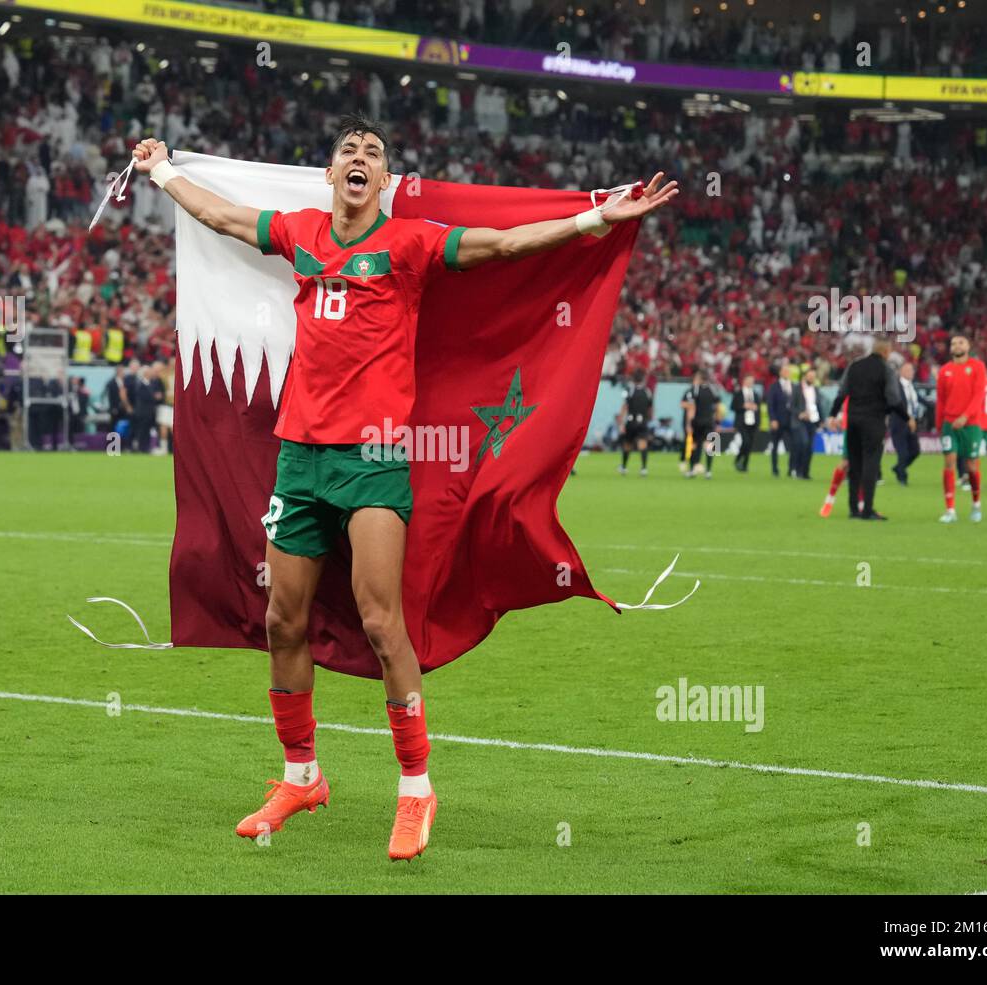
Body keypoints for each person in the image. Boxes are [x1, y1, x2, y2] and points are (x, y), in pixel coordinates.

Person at [132, 116, 678, 859]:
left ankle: (416, 788)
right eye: (348, 151)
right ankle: (301, 775)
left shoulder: (410, 241)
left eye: (374, 154)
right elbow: (221, 215)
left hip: (376, 456)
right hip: (299, 455)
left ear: (385, 182)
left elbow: (503, 243)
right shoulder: (299, 232)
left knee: (383, 622)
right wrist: (162, 172)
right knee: (282, 620)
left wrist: (592, 218)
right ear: (329, 175)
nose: (360, 159)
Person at [830, 337, 904, 520]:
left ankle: (853, 508)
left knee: (854, 465)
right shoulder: (886, 370)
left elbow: (841, 392)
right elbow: (893, 398)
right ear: (886, 352)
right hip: (873, 422)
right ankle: (868, 509)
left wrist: (832, 414)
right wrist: (906, 417)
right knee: (871, 464)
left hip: (853, 421)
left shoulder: (854, 366)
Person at [936, 332, 987, 523]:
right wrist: (940, 424)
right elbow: (941, 400)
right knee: (949, 462)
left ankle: (976, 504)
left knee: (971, 466)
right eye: (953, 343)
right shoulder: (944, 371)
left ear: (968, 347)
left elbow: (978, 395)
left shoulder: (977, 367)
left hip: (971, 424)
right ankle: (950, 510)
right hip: (950, 424)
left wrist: (965, 417)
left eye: (960, 342)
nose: (956, 345)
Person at [889, 361, 923, 485]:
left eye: (912, 370)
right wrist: (908, 418)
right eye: (908, 370)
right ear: (901, 372)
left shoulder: (911, 386)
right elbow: (897, 405)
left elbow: (919, 400)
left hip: (912, 424)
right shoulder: (896, 387)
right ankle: (902, 478)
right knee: (902, 452)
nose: (911, 372)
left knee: (915, 451)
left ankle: (898, 467)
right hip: (899, 423)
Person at [682, 369, 718, 478]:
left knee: (694, 445)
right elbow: (717, 407)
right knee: (709, 446)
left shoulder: (695, 390)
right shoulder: (713, 389)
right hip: (709, 422)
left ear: (700, 378)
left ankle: (693, 470)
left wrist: (688, 424)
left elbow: (691, 408)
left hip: (697, 421)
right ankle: (708, 471)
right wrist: (716, 421)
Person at [789, 369, 825, 480]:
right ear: (805, 376)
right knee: (803, 443)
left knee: (809, 447)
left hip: (812, 421)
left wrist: (821, 421)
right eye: (810, 376)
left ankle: (805, 472)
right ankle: (797, 470)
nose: (812, 378)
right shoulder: (797, 388)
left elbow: (818, 406)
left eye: (813, 376)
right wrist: (800, 414)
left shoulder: (816, 389)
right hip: (800, 422)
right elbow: (791, 406)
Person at [617, 368, 653, 475]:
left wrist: (621, 422)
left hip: (631, 421)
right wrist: (649, 419)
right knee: (643, 444)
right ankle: (643, 468)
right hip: (642, 421)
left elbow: (625, 406)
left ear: (633, 379)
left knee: (628, 444)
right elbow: (650, 408)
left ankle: (623, 467)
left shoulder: (629, 391)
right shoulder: (647, 391)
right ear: (643, 379)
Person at [766, 362, 793, 477]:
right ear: (780, 372)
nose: (787, 373)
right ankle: (774, 469)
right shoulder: (774, 386)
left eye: (788, 371)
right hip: (778, 420)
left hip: (791, 421)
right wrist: (773, 419)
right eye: (785, 370)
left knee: (793, 446)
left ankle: (791, 469)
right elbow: (770, 404)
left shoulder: (794, 386)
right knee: (775, 446)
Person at [731, 372, 761, 472]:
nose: (751, 383)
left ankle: (745, 465)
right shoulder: (739, 394)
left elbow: (758, 408)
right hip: (742, 422)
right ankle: (738, 458)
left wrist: (755, 409)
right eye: (749, 381)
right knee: (746, 441)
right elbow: (733, 406)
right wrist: (743, 406)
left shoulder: (755, 394)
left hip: (753, 422)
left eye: (752, 381)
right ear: (744, 381)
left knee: (750, 444)